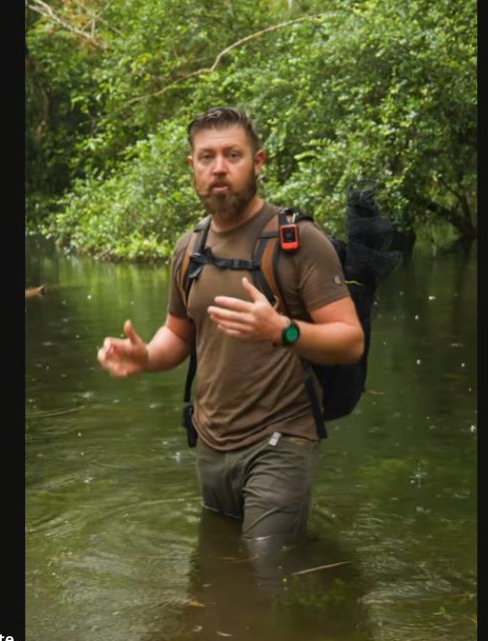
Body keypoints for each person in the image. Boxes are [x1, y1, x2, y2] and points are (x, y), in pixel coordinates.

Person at [96, 106, 364, 559]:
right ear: (193, 166)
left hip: (282, 438)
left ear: (257, 162)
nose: (219, 168)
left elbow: (350, 341)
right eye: (207, 157)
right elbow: (178, 336)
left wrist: (284, 330)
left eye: (232, 155)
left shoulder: (298, 242)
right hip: (211, 441)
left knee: (265, 566)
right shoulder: (190, 248)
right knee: (216, 566)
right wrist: (146, 357)